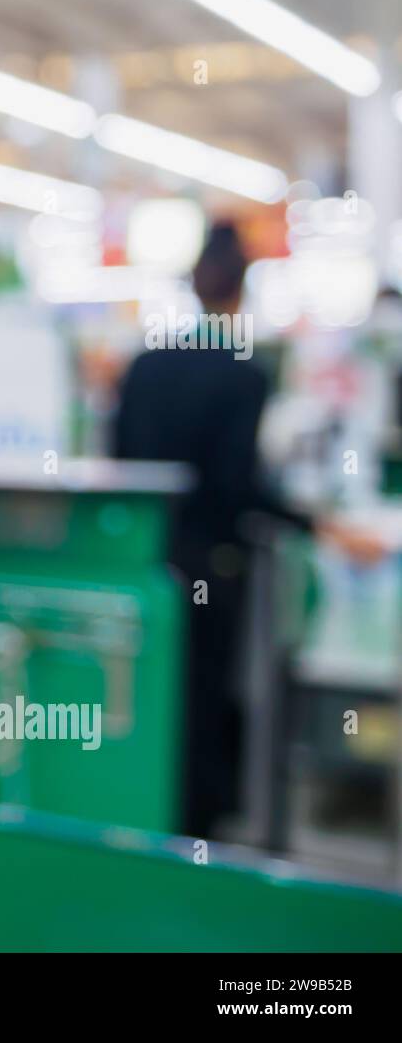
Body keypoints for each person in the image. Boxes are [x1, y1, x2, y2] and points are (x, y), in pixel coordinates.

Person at [112, 221, 384, 837]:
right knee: (205, 695)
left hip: (143, 561)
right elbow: (241, 490)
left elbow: (119, 466)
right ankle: (201, 822)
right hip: (213, 566)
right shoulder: (244, 373)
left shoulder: (145, 366)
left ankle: (142, 809)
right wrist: (322, 526)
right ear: (241, 292)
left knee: (148, 688)